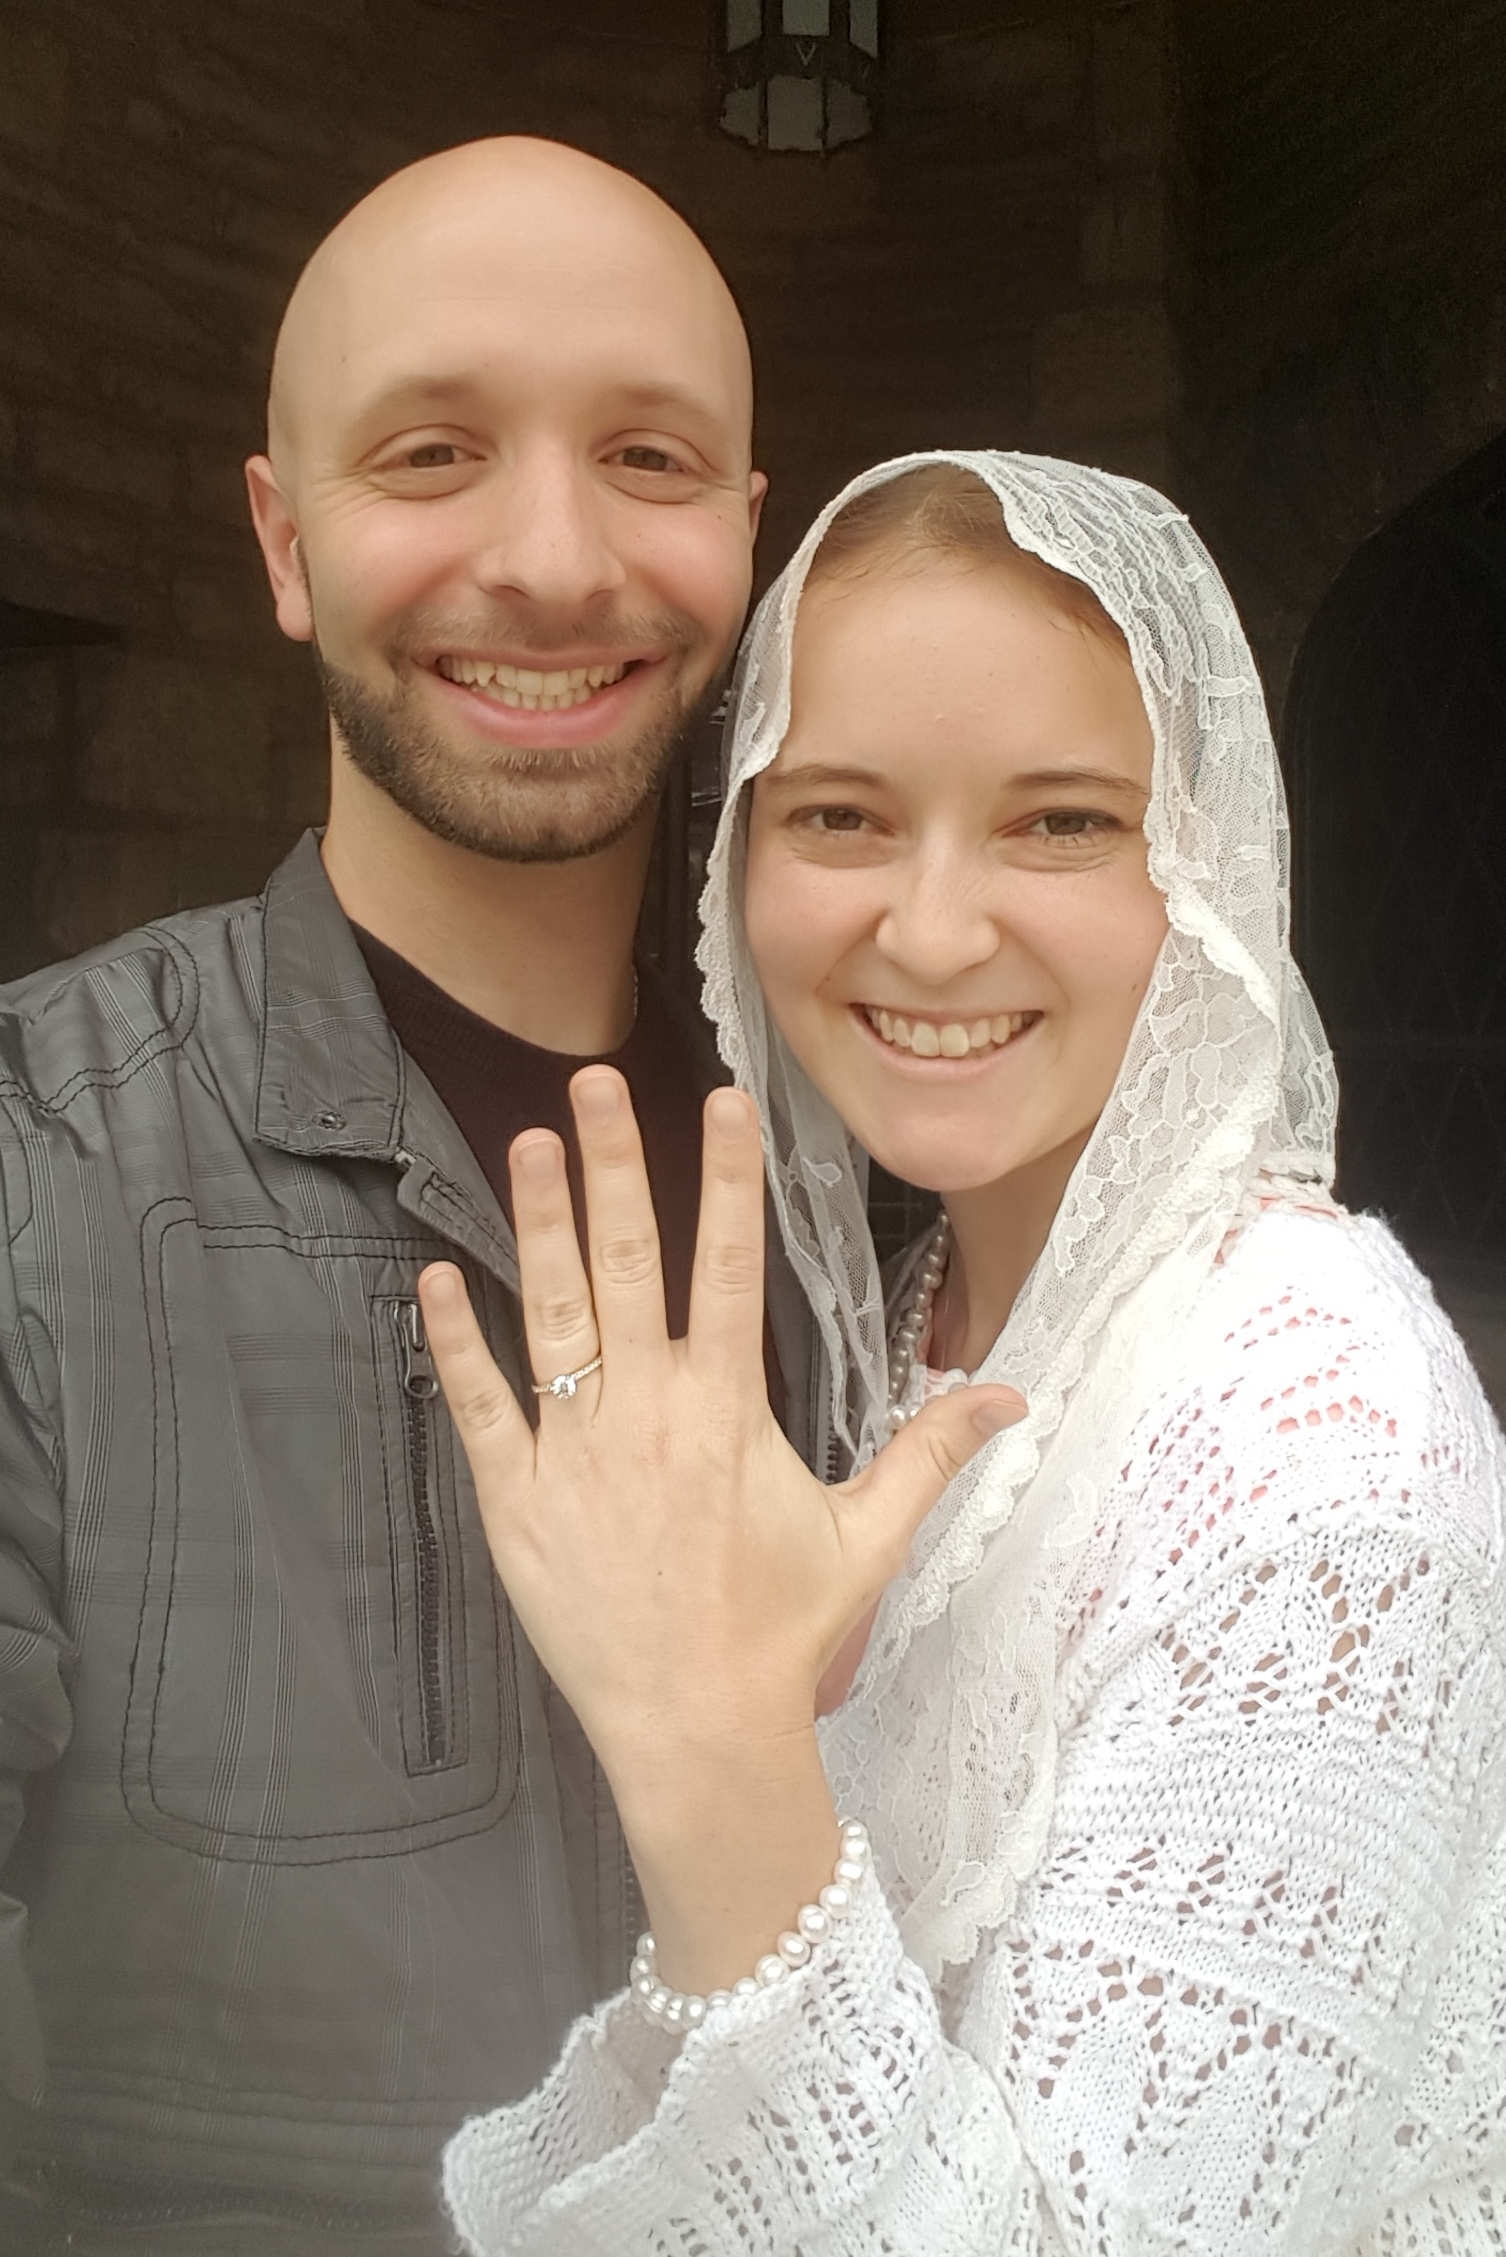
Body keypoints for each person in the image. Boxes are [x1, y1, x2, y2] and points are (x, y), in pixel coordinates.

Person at [419, 453, 1506, 2253]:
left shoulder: (1316, 1433)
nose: (929, 930)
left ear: (1207, 867)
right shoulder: (916, 1307)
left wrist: (709, 1750)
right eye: (838, 815)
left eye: (1061, 822)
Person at [0, 137, 786, 2254]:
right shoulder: (38, 1152)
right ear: (286, 542)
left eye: (646, 455)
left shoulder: (871, 1192)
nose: (549, 559)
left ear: (742, 530)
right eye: (432, 451)